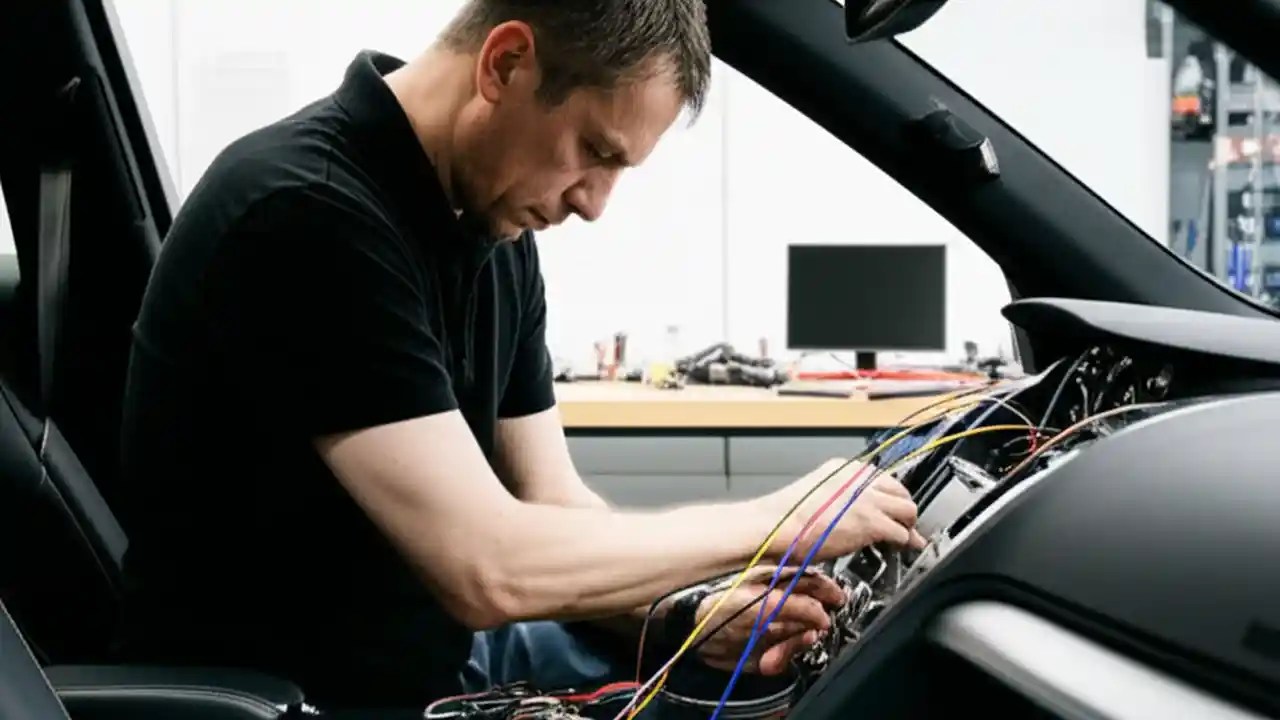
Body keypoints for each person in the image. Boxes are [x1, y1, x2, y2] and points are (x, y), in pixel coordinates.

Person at [117, 0, 926, 711]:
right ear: (505, 62)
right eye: (596, 151)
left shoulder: (493, 229)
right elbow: (487, 567)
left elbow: (549, 506)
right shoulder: (308, 214)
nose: (595, 203)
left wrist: (685, 613)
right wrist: (780, 522)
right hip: (304, 699)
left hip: (434, 671)